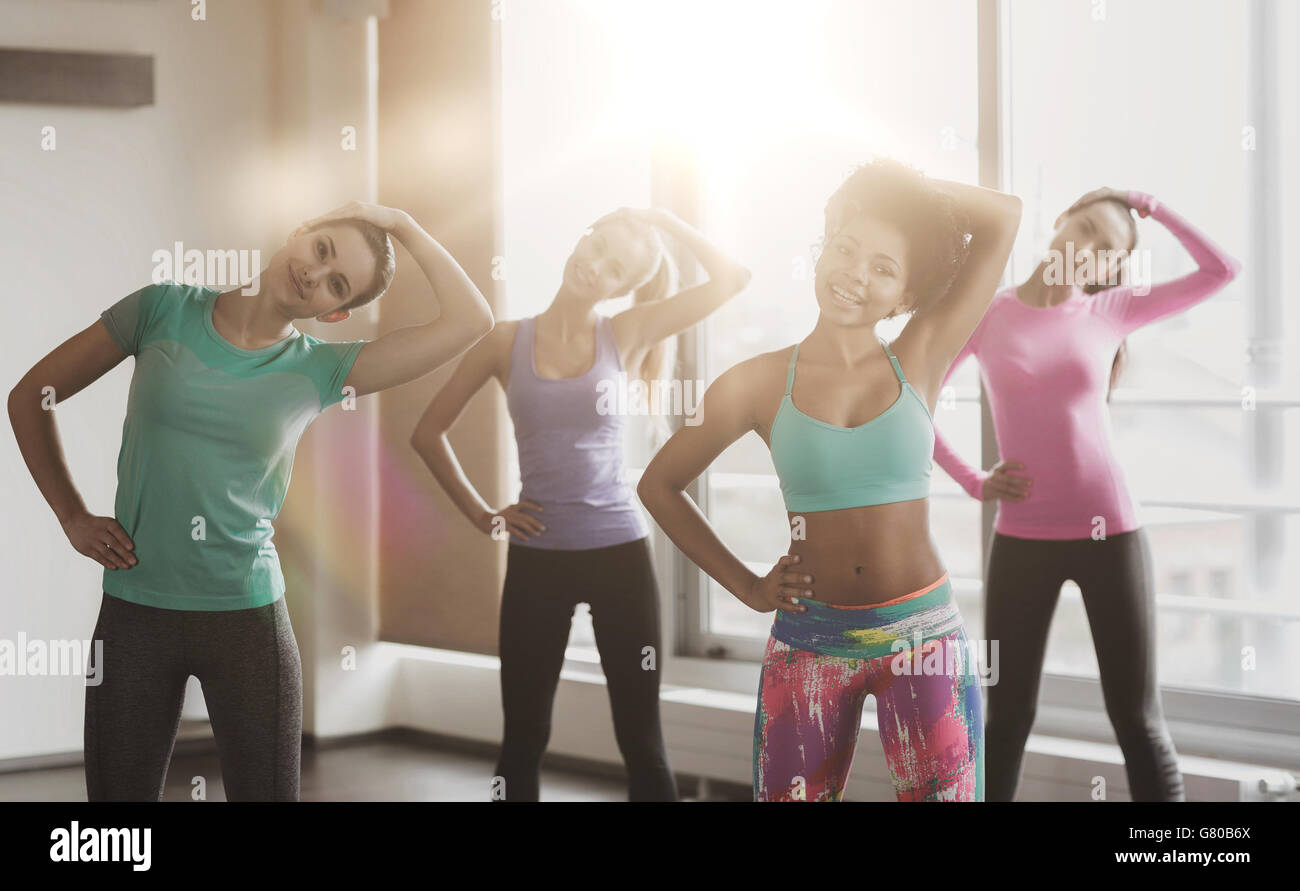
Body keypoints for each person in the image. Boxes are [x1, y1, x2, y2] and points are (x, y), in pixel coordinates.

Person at [7, 200, 494, 801]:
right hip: (136, 610)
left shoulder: (324, 368)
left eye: (336, 283)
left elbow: (472, 321)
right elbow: (32, 394)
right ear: (301, 233)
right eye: (322, 250)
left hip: (248, 621)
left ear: (335, 310)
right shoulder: (160, 309)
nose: (316, 274)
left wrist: (401, 223)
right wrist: (71, 515)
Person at [637, 159, 1022, 801]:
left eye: (883, 267)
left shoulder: (922, 354)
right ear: (822, 248)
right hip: (810, 639)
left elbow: (1002, 215)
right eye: (846, 249)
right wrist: (749, 587)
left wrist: (895, 188)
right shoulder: (755, 381)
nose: (855, 274)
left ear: (905, 298)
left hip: (922, 638)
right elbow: (658, 484)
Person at [411, 207, 750, 801]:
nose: (595, 267)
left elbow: (733, 278)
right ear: (581, 237)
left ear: (623, 288)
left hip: (620, 555)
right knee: (521, 738)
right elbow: (427, 431)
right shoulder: (503, 340)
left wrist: (664, 221)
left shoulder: (626, 332)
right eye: (597, 247)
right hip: (536, 558)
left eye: (614, 268)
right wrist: (483, 516)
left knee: (642, 741)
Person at [930, 187, 1241, 801]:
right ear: (1061, 221)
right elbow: (916, 400)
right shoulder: (989, 313)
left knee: (1138, 723)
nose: (1092, 250)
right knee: (1008, 719)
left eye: (1109, 251)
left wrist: (1148, 205)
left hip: (1113, 536)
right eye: (1089, 229)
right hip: (1021, 540)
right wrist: (974, 481)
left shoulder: (1114, 311)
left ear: (1111, 272)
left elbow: (1222, 270)